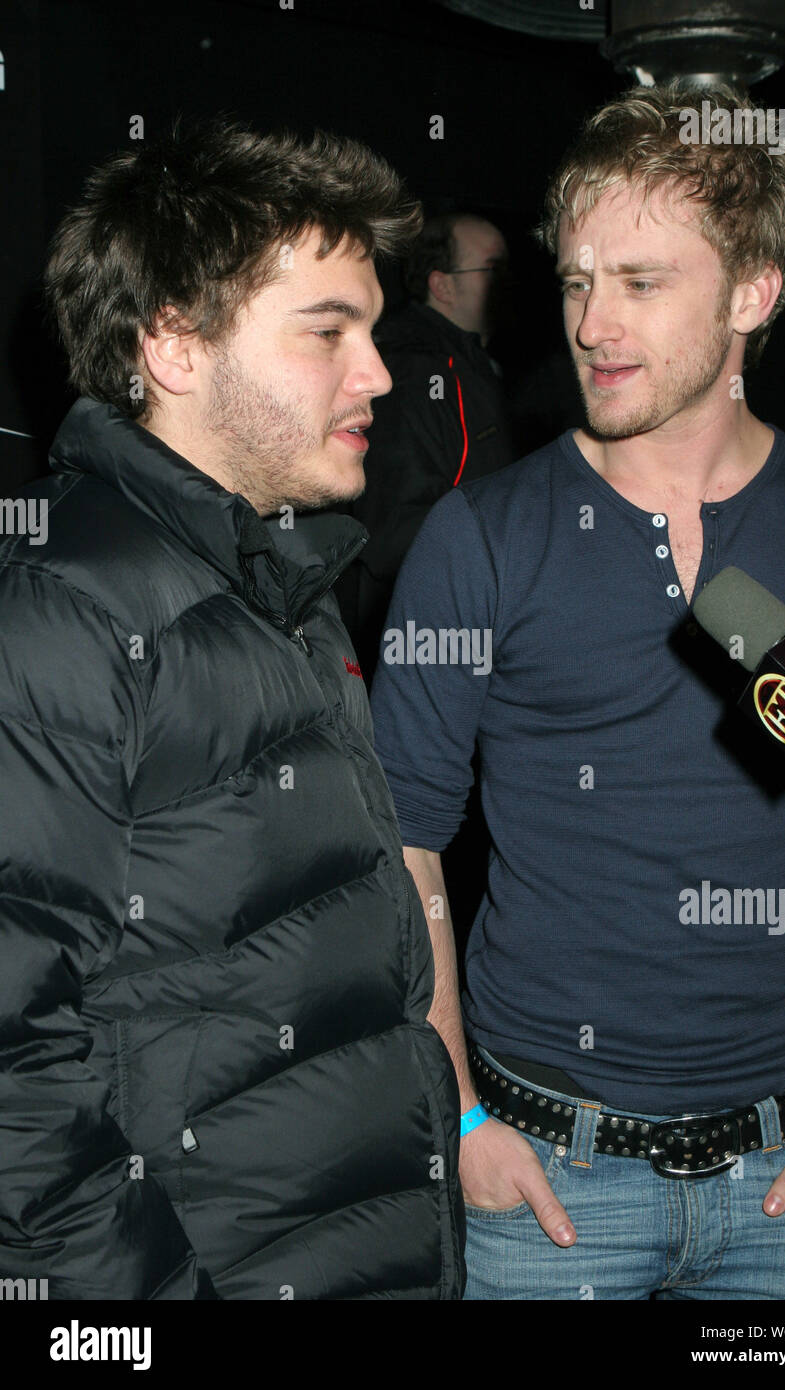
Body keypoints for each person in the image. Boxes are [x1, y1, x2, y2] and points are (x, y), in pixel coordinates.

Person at [369, 82, 785, 1300]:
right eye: (580, 278)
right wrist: (467, 1122)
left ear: (754, 293)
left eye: (642, 282)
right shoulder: (478, 538)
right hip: (548, 1183)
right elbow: (403, 843)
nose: (594, 321)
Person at [0, 117, 464, 1300]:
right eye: (329, 333)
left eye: (373, 329)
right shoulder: (66, 611)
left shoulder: (277, 580)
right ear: (174, 345)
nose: (377, 372)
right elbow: (14, 1073)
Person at [338, 212, 514, 684]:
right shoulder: (416, 373)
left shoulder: (479, 364)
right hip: (432, 643)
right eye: (494, 269)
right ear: (443, 285)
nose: (509, 283)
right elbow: (395, 526)